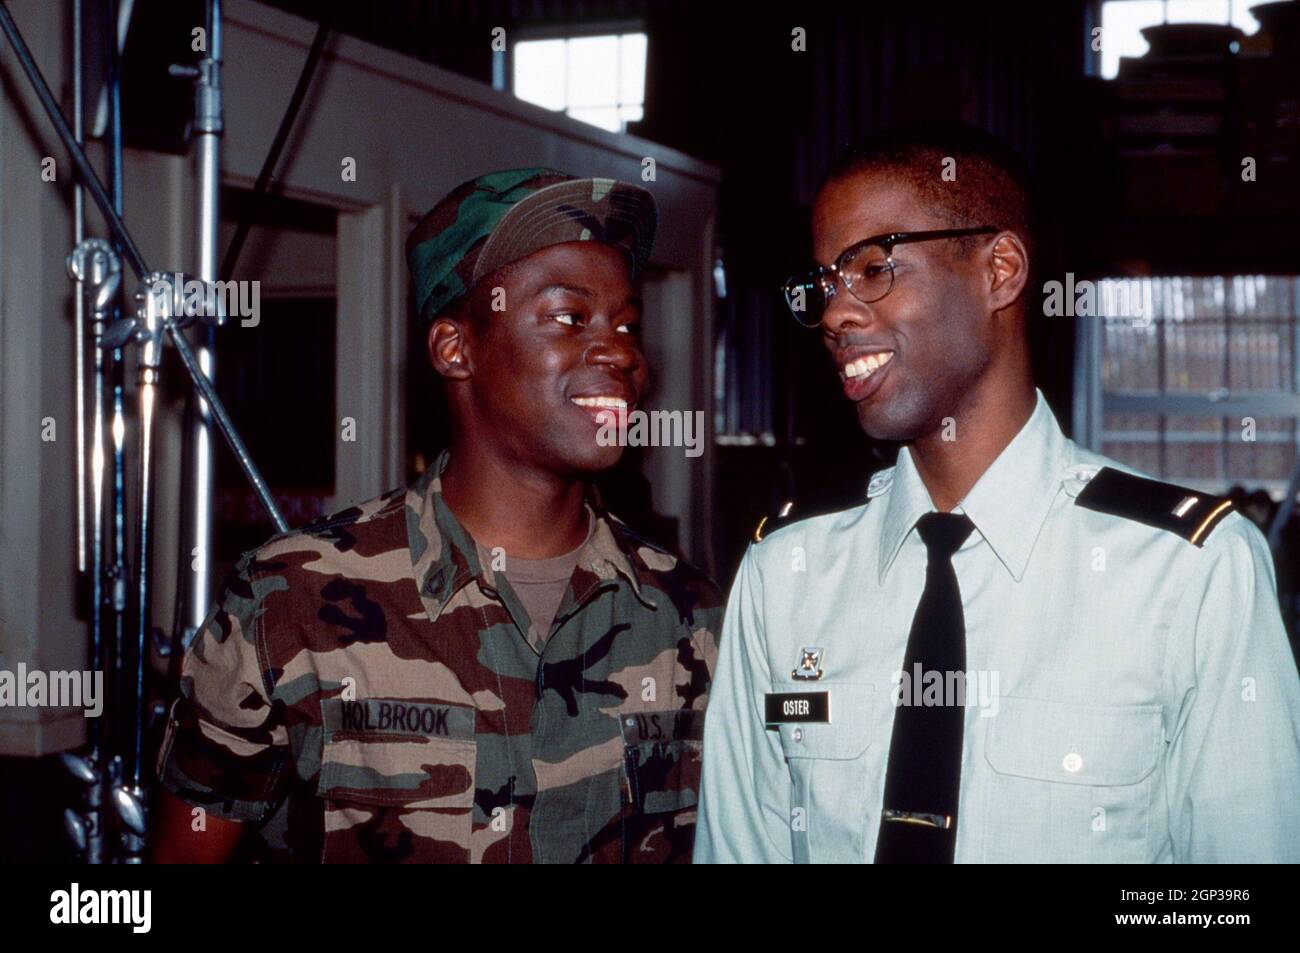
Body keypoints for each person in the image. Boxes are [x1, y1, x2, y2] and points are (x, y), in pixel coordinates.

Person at [694, 124, 1300, 863]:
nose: (834, 314)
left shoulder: (1189, 572)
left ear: (1001, 269)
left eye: (874, 268)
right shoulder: (786, 571)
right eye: (823, 283)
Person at [153, 168, 721, 863]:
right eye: (570, 318)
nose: (622, 353)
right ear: (456, 350)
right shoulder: (288, 598)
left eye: (627, 323)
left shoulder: (691, 617)